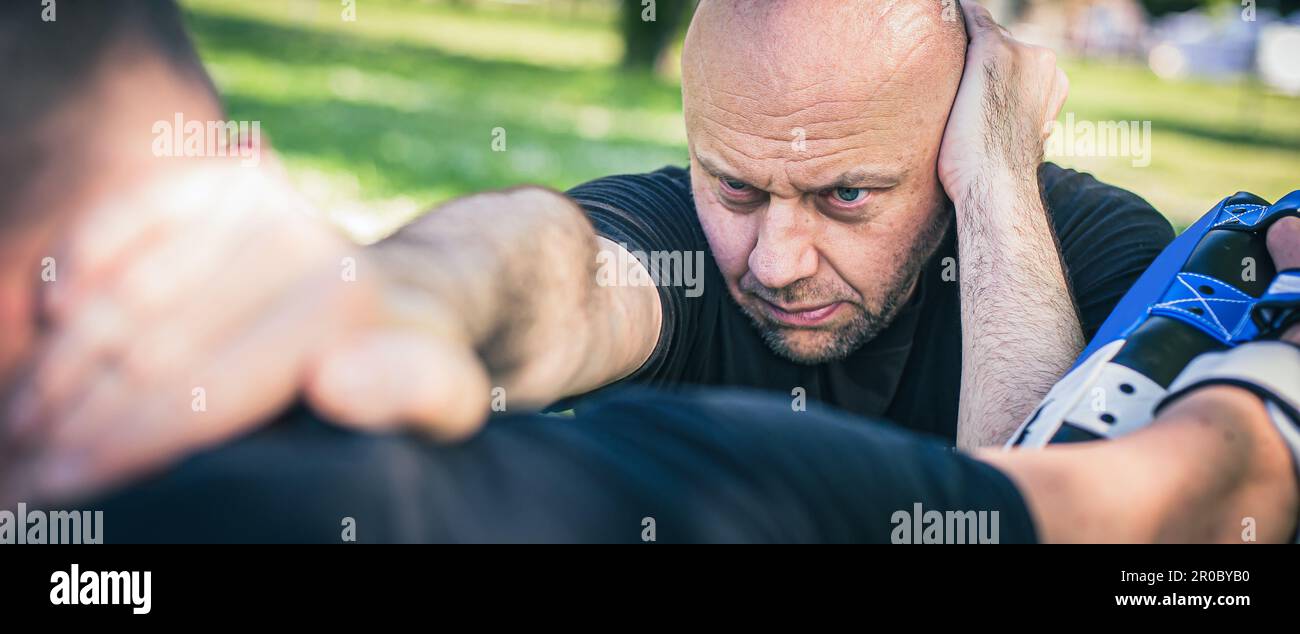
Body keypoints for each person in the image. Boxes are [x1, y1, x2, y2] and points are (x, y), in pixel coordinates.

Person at [4, 0, 1175, 464]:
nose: (773, 260)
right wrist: (407, 292)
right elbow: (558, 270)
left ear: (959, 149)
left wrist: (999, 187)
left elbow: (1051, 511)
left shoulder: (1085, 247)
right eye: (734, 186)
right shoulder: (670, 231)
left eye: (846, 197)